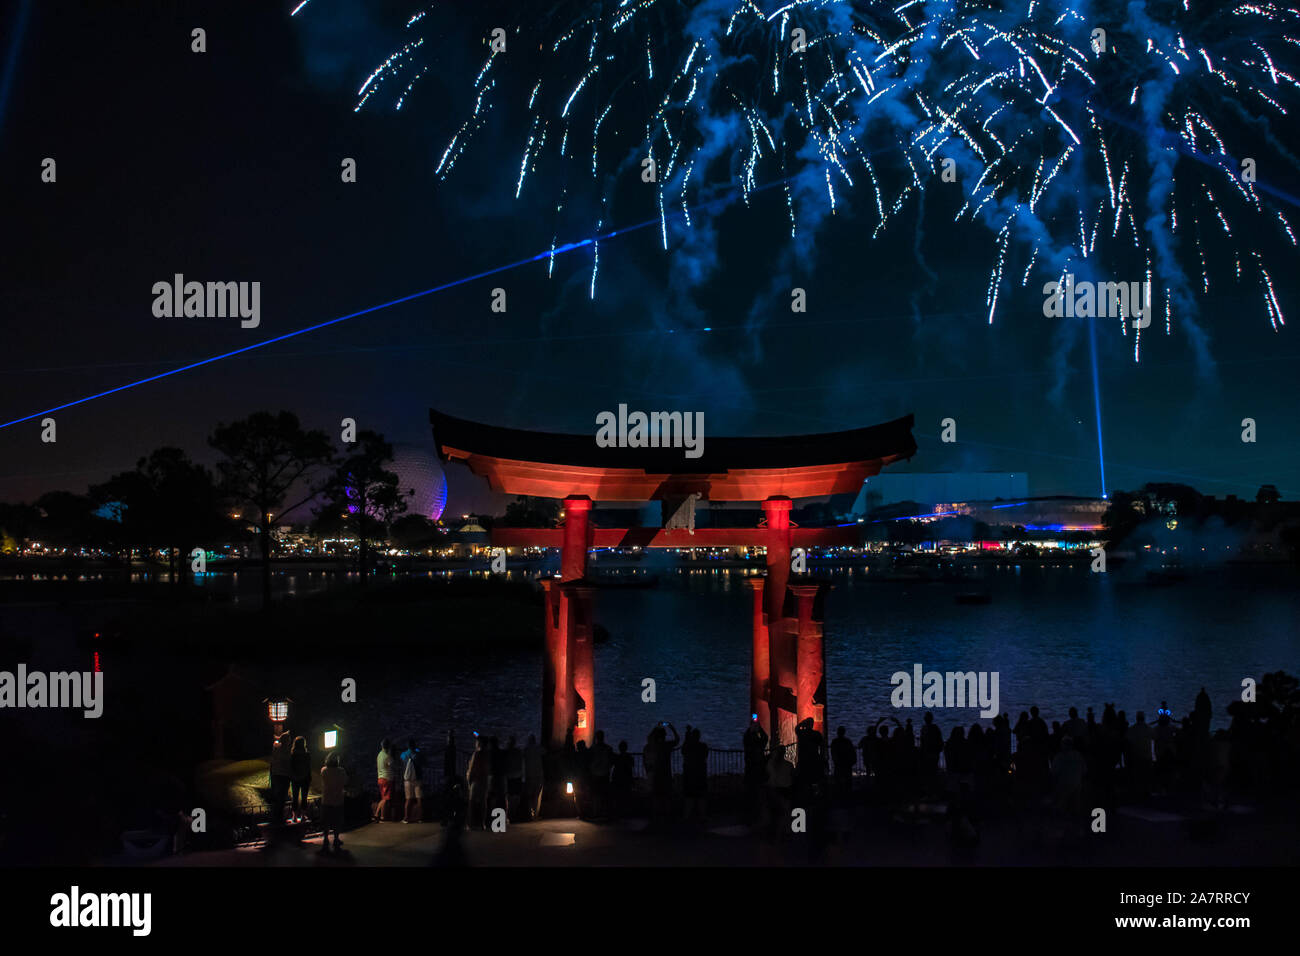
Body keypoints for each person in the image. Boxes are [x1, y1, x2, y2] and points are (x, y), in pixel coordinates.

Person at [320, 751, 347, 851]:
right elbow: (345, 781)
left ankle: (326, 839)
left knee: (326, 821)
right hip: (338, 800)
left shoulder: (324, 770)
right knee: (337, 821)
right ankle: (336, 839)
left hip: (326, 799)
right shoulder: (341, 771)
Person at [681, 727, 709, 823]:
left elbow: (683, 751)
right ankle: (703, 816)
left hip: (690, 775)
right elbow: (705, 756)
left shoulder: (688, 747)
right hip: (700, 775)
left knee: (689, 797)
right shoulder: (703, 746)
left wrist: (687, 737)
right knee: (701, 797)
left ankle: (687, 816)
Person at [588, 731, 614, 820]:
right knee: (604, 794)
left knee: (595, 794)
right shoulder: (608, 748)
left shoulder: (592, 749)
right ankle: (604, 812)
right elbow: (611, 761)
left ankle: (596, 812)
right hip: (605, 774)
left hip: (595, 774)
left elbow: (589, 761)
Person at [268, 730, 291, 826]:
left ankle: (276, 818)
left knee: (278, 797)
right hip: (284, 775)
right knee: (281, 798)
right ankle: (280, 818)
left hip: (276, 775)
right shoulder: (286, 750)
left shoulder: (276, 749)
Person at [466, 735, 489, 829]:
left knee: (472, 802)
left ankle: (471, 823)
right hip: (484, 780)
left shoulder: (476, 754)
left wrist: (468, 780)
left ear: (478, 743)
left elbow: (471, 769)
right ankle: (482, 823)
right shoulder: (487, 754)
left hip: (476, 781)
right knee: (483, 802)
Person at [401, 738, 425, 823]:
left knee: (408, 799)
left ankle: (406, 818)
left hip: (407, 779)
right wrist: (417, 750)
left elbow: (401, 760)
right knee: (419, 799)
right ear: (414, 745)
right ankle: (420, 818)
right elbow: (424, 762)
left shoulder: (404, 754)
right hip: (417, 779)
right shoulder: (418, 755)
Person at [289, 736, 312, 824]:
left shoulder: (293, 754)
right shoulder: (307, 754)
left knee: (295, 797)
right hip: (305, 778)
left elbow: (291, 767)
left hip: (295, 778)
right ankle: (303, 816)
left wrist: (294, 776)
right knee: (304, 798)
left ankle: (294, 816)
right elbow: (308, 767)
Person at [830, 726, 856, 800]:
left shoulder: (835, 741)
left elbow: (833, 752)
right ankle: (848, 795)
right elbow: (852, 751)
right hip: (847, 763)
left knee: (838, 780)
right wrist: (853, 760)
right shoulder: (847, 741)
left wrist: (835, 760)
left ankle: (839, 795)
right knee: (847, 780)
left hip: (839, 763)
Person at [524, 734, 545, 820]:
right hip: (538, 775)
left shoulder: (526, 750)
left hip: (529, 775)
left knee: (529, 795)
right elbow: (546, 751)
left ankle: (530, 813)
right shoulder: (538, 749)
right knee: (536, 795)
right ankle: (535, 814)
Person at [611, 740, 634, 818]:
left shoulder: (617, 757)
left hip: (618, 779)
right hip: (626, 779)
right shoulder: (629, 757)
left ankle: (618, 812)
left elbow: (615, 769)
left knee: (619, 797)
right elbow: (630, 768)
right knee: (625, 796)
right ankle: (625, 812)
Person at [374, 738, 395, 823]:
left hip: (380, 778)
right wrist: (391, 754)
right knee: (385, 799)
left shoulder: (379, 754)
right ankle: (376, 814)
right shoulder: (387, 756)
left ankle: (382, 817)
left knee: (383, 797)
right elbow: (392, 764)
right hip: (387, 779)